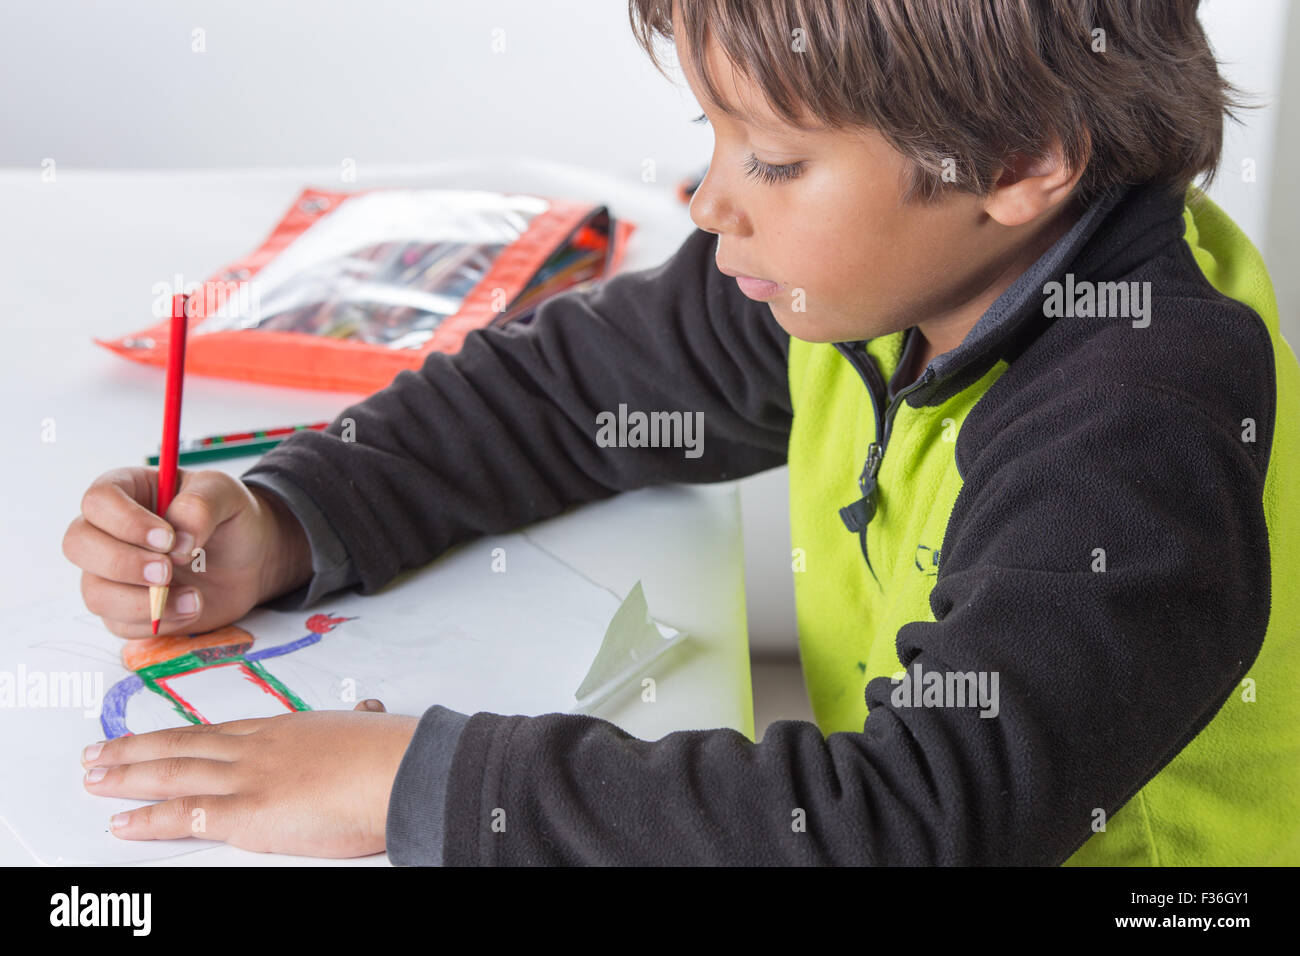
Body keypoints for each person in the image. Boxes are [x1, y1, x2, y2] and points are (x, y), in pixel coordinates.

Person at [63, 0, 1300, 864]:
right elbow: (569, 391)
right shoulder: (882, 273)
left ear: (1020, 160)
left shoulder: (1139, 416)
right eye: (715, 138)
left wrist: (417, 785)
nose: (706, 204)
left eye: (771, 159)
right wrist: (297, 512)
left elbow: (923, 824)